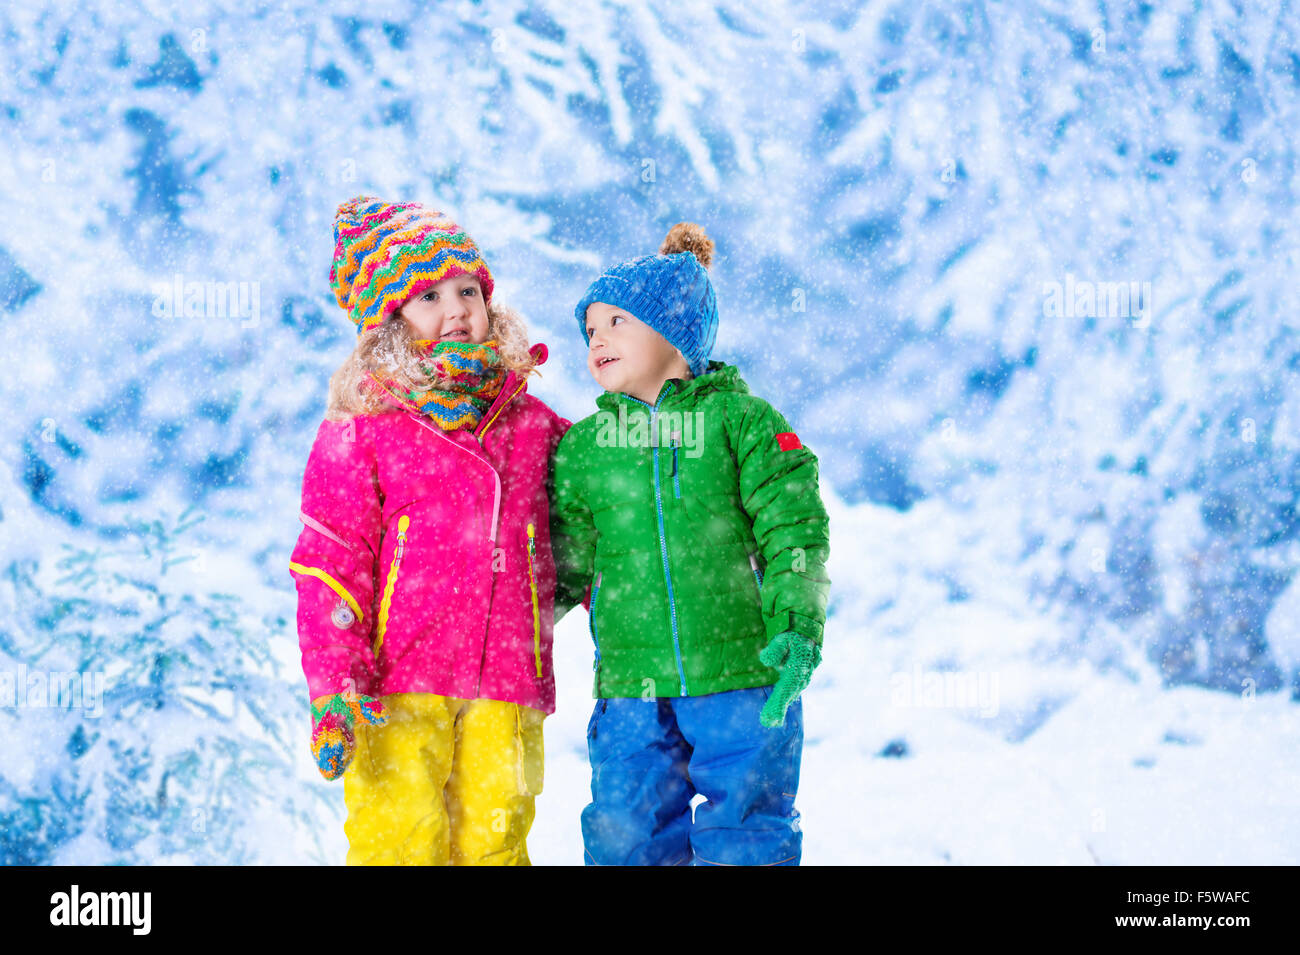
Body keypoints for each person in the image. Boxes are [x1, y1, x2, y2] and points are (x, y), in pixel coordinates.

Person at [289, 195, 569, 865]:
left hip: (506, 679)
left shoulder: (532, 426)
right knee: (400, 843)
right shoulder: (362, 431)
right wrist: (337, 684)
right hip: (395, 688)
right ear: (387, 323)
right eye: (429, 296)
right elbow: (330, 562)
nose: (457, 310)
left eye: (469, 289)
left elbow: (594, 519)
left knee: (497, 843)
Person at [550, 222, 831, 865]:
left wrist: (796, 622)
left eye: (616, 322)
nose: (597, 340)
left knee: (747, 832)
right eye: (590, 330)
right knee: (627, 834)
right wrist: (520, 626)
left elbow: (794, 528)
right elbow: (563, 561)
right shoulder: (586, 449)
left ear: (674, 331)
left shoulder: (743, 422)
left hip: (742, 676)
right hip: (630, 685)